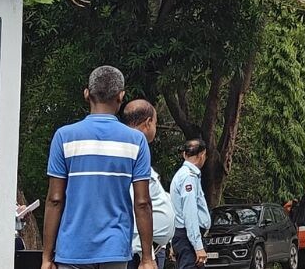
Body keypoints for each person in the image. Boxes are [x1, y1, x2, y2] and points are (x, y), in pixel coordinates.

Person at [41, 66, 156, 269]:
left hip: (72, 249)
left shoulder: (64, 137)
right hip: (114, 248)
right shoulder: (136, 141)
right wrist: (147, 258)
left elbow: (55, 200)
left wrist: (46, 257)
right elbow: (142, 203)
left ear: (87, 94)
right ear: (121, 96)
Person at [121, 100, 174, 269]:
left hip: (141, 249)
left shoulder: (134, 147)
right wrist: (147, 256)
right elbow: (135, 205)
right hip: (135, 253)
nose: (155, 128)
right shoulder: (131, 149)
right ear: (148, 122)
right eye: (156, 123)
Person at [170, 139, 211, 269]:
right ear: (202, 154)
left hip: (183, 236)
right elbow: (190, 213)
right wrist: (198, 246)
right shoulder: (189, 177)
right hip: (188, 238)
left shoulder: (181, 175)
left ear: (184, 154)